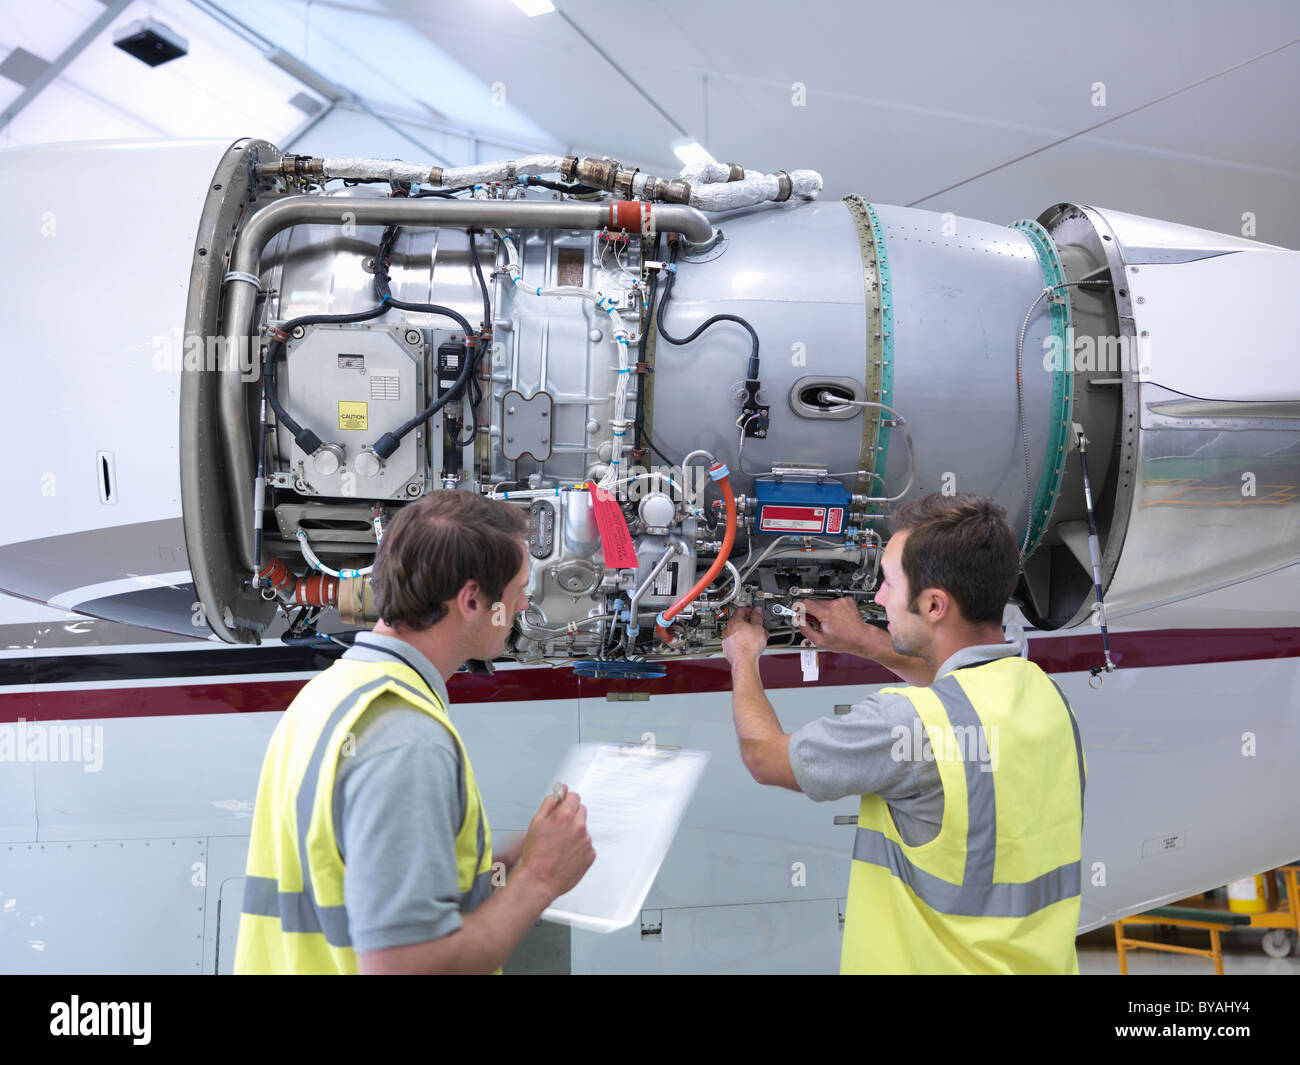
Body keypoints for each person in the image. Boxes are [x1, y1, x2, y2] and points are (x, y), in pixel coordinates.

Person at [720, 492, 1085, 974]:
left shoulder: (905, 724)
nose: (878, 598)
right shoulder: (1046, 697)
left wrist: (742, 657)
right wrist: (868, 643)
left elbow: (764, 757)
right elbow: (961, 698)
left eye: (889, 583)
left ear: (934, 604)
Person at [234, 492, 595, 974]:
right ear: (471, 601)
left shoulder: (330, 696)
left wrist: (502, 870)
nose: (523, 603)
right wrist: (540, 880)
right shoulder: (405, 739)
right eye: (518, 589)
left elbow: (355, 882)